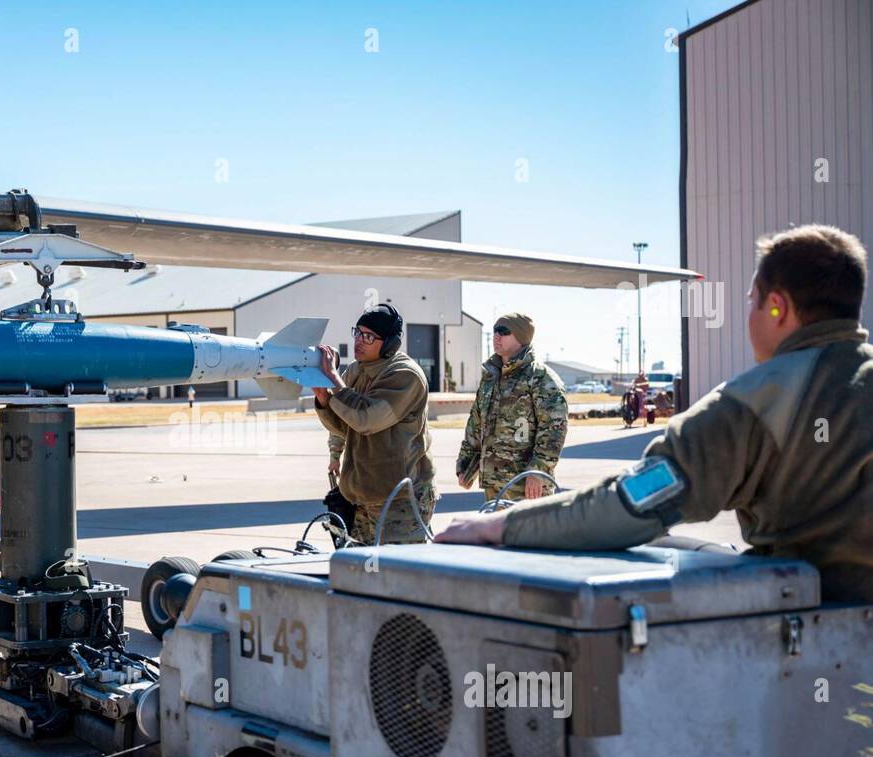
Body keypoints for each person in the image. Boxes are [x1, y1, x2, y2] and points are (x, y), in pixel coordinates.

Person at [434, 224, 873, 604]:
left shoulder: (761, 400)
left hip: (818, 634)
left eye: (752, 301)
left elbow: (632, 503)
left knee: (662, 544)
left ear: (776, 308)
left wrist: (501, 525)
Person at [313, 303, 435, 544]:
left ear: (389, 344)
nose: (359, 340)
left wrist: (336, 384)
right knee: (364, 574)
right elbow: (345, 426)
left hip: (400, 500)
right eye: (357, 332)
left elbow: (366, 419)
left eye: (368, 336)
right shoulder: (356, 372)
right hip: (363, 500)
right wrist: (324, 399)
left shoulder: (405, 374)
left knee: (398, 574)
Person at [456, 312, 568, 501]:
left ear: (521, 337)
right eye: (495, 331)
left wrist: (538, 471)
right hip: (494, 485)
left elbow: (553, 430)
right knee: (496, 531)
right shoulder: (491, 378)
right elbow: (476, 423)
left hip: (527, 487)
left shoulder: (541, 378)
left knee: (529, 531)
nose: (496, 336)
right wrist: (466, 464)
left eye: (504, 331)